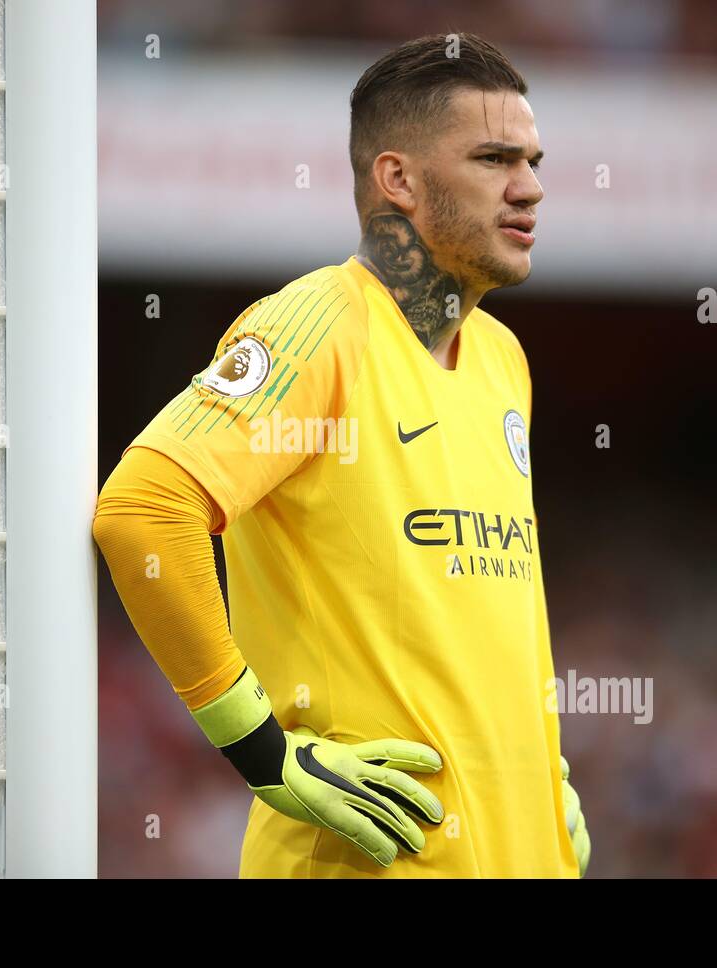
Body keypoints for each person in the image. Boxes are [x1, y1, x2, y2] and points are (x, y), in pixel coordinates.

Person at [93, 32, 589, 878]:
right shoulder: (321, 325)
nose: (530, 187)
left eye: (533, 161)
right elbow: (143, 512)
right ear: (399, 180)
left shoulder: (502, 357)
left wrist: (543, 770)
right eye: (494, 159)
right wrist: (262, 751)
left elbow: (472, 616)